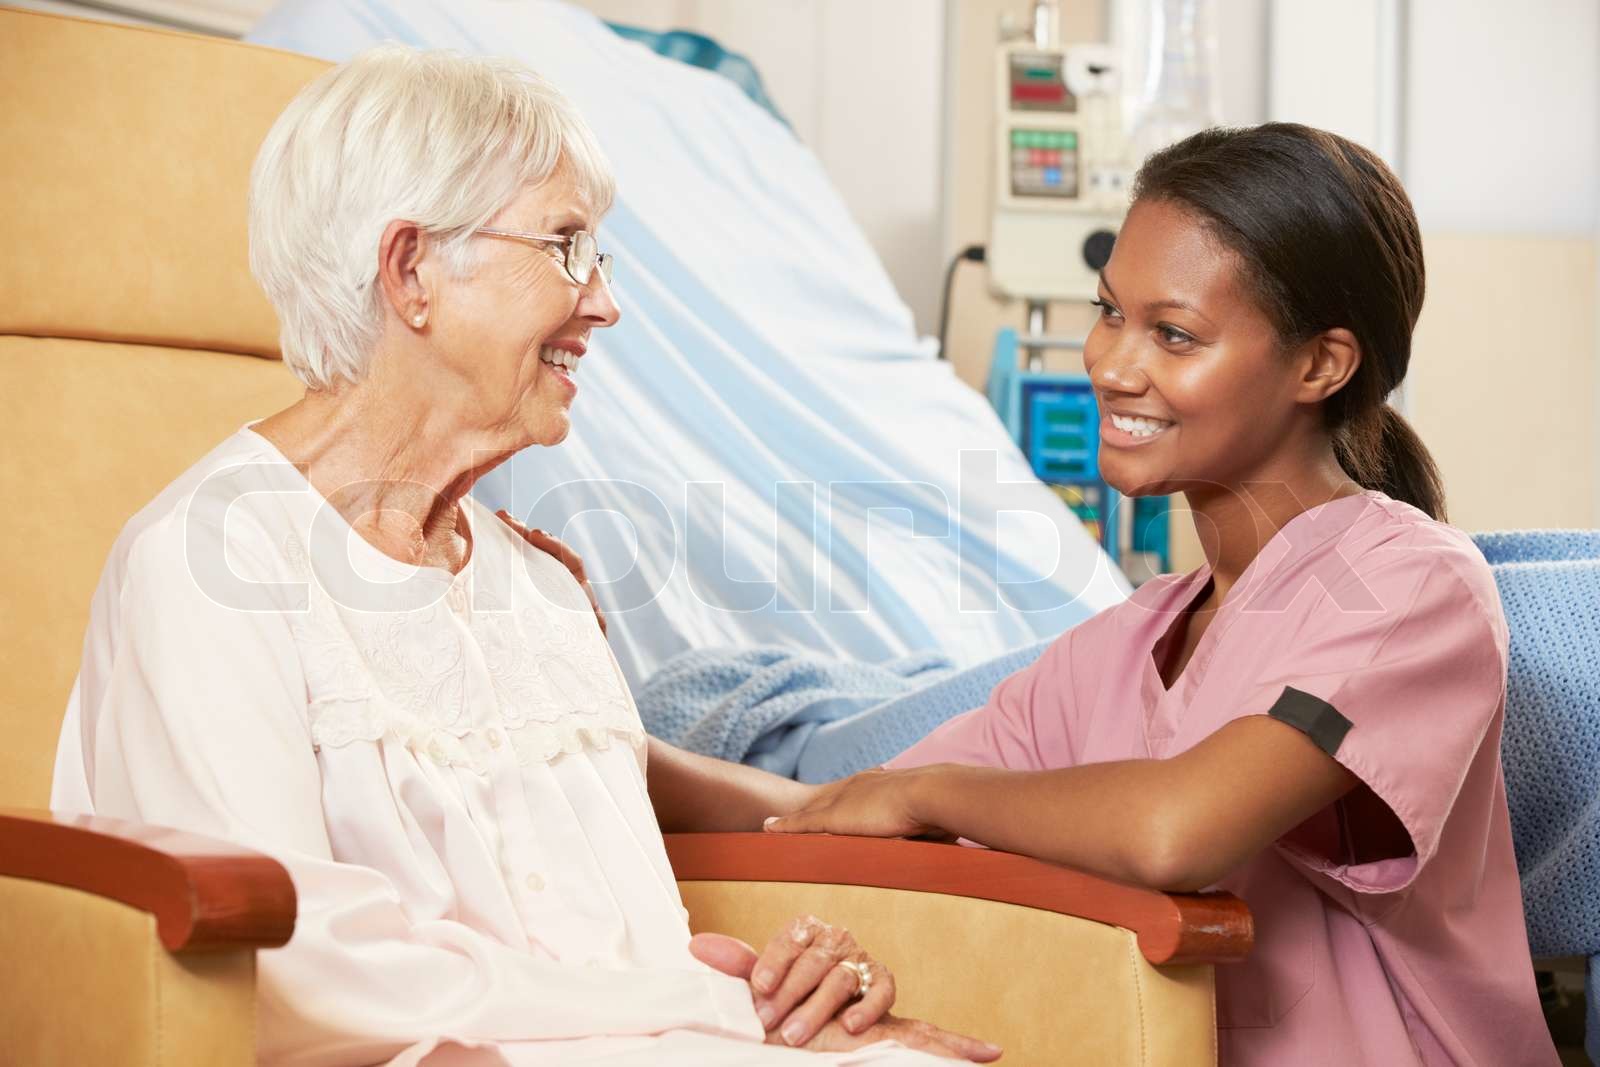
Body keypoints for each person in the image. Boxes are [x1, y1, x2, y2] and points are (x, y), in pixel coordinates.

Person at [51, 45, 997, 1066]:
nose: (604, 303)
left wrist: (795, 986)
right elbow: (291, 971)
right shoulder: (205, 562)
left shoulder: (539, 587)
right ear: (410, 269)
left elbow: (630, 928)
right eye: (565, 247)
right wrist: (707, 1007)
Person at [762, 125, 1559, 1066]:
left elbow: (1177, 830)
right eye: (1110, 313)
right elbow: (832, 808)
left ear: (1321, 364)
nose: (1110, 364)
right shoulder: (1118, 651)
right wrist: (598, 737)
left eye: (1173, 334)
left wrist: (928, 793)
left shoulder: (1410, 586)